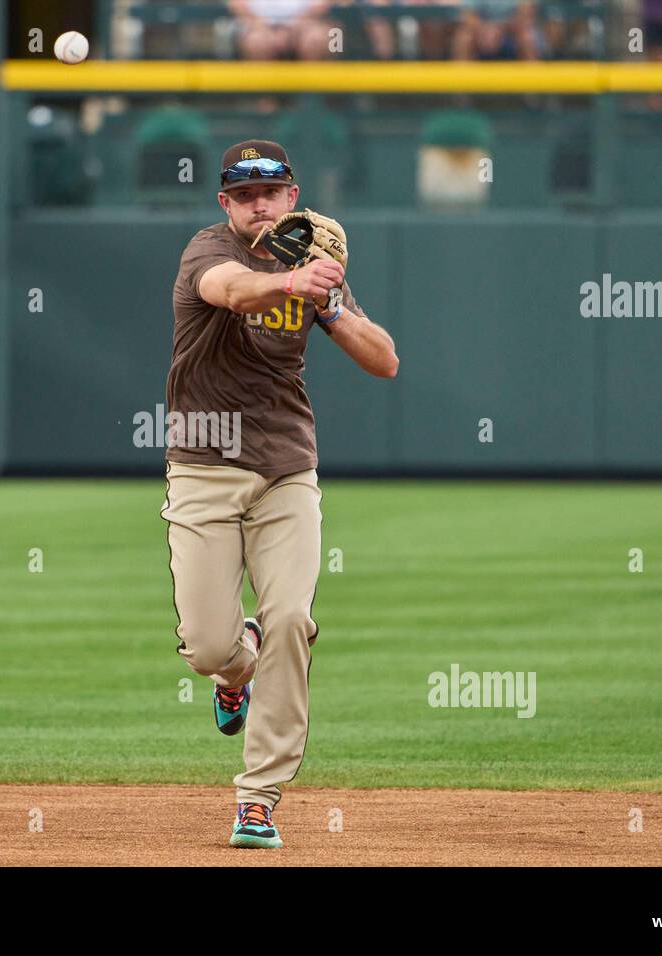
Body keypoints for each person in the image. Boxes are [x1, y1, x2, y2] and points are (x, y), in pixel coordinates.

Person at [162, 140, 398, 849]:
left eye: (271, 192)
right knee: (207, 645)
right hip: (204, 464)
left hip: (287, 467)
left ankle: (258, 798)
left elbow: (384, 360)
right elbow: (233, 291)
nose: (259, 204)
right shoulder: (207, 253)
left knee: (291, 618)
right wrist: (294, 285)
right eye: (244, 194)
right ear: (225, 204)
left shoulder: (309, 262)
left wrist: (332, 302)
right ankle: (237, 670)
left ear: (292, 197)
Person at [229, 0, 339, 60]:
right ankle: (266, 99)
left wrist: (291, 30)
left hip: (308, 25)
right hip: (258, 27)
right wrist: (265, 29)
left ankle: (311, 97)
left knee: (315, 40)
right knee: (256, 43)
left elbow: (322, 5)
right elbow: (237, 4)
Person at [453, 0, 539, 60]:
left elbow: (525, 13)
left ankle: (535, 82)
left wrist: (500, 29)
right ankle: (461, 83)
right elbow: (467, 13)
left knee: (527, 37)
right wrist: (483, 30)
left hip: (512, 30)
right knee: (464, 38)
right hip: (480, 30)